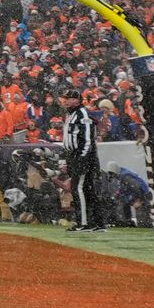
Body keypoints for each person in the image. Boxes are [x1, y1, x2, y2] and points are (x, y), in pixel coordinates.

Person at [61, 89, 104, 231]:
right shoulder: (71, 114)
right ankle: (97, 222)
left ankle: (83, 223)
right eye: (65, 98)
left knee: (78, 188)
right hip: (75, 155)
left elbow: (87, 140)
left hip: (83, 155)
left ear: (77, 100)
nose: (66, 101)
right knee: (87, 189)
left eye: (69, 98)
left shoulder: (82, 114)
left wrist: (81, 158)